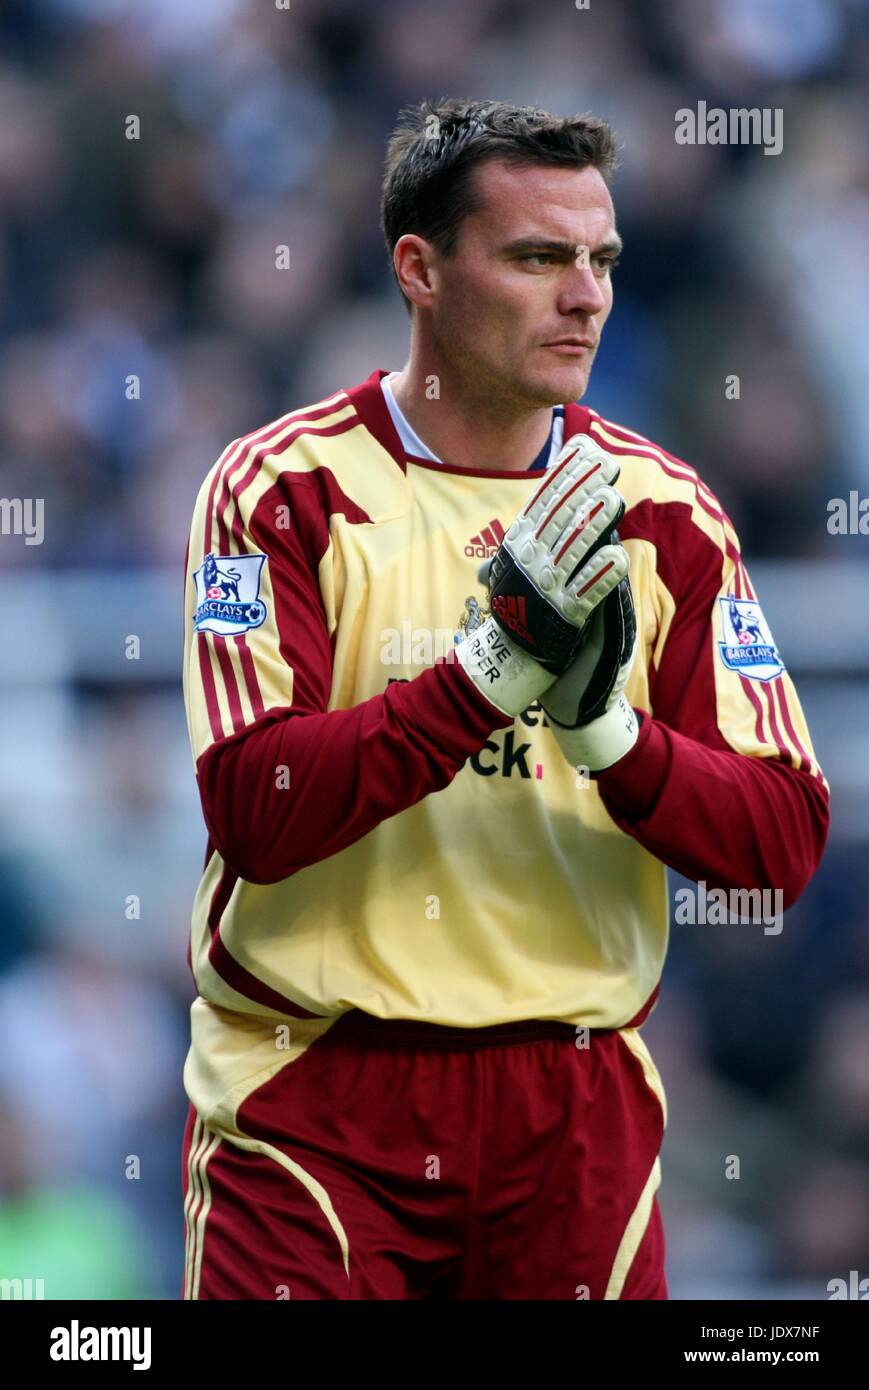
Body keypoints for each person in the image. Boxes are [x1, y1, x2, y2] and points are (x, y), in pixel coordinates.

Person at [179, 98, 829, 1300]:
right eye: (538, 257)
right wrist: (487, 677)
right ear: (418, 271)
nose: (584, 295)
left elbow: (779, 842)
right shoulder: (279, 489)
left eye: (601, 261)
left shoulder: (662, 509)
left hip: (572, 1105)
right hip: (316, 1092)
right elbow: (256, 812)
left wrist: (606, 736)